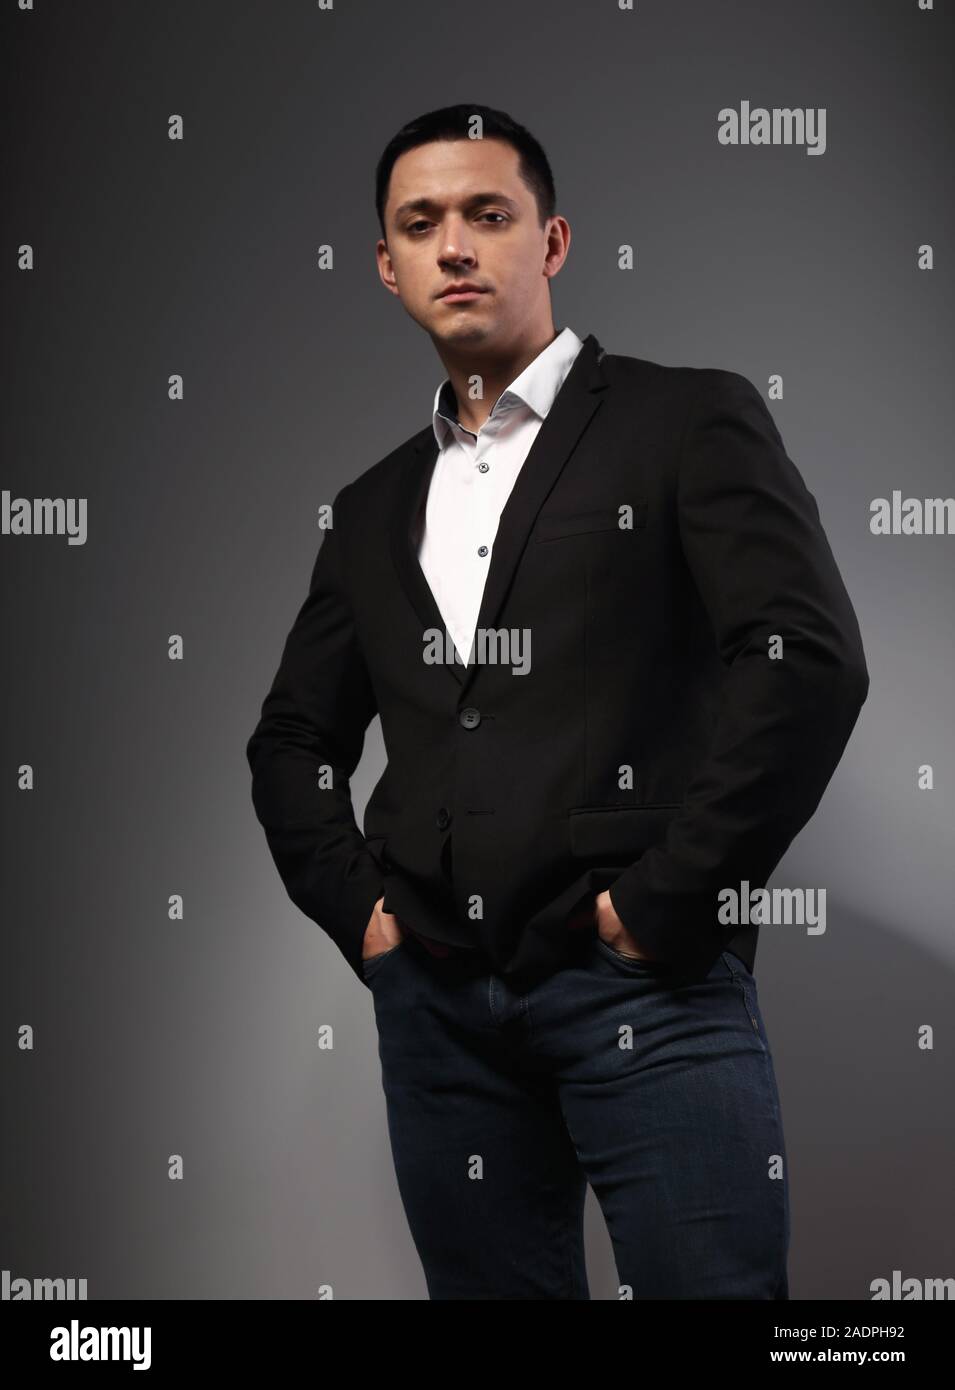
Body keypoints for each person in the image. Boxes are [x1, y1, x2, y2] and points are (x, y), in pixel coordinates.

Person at [246, 103, 869, 1299]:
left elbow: (804, 658)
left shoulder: (684, 418)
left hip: (647, 984)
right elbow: (292, 736)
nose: (456, 246)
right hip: (436, 1007)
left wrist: (663, 904)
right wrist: (366, 920)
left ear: (554, 240)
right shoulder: (371, 504)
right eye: (420, 224)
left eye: (489, 214)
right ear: (386, 267)